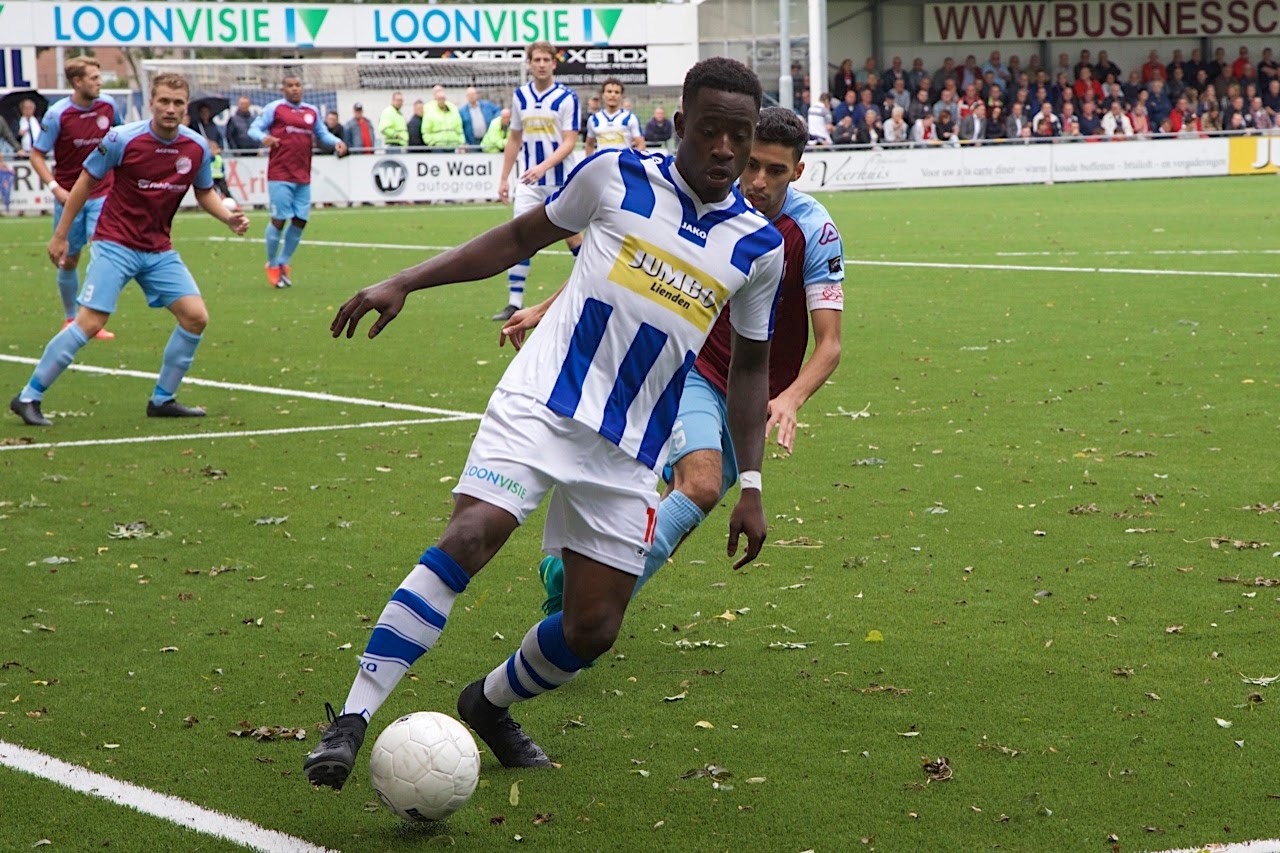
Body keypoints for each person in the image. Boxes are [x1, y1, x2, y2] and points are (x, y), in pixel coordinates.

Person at [303, 57, 784, 789]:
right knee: (472, 534)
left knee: (593, 627)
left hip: (629, 446)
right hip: (543, 401)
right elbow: (514, 240)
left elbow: (750, 370)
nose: (725, 149)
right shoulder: (613, 175)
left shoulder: (759, 247)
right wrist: (406, 279)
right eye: (711, 130)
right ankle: (352, 719)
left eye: (739, 136)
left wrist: (748, 480)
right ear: (681, 124)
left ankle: (488, 704)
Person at [513, 106, 842, 624]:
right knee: (702, 485)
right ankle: (586, 612)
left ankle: (575, 593)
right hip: (691, 370)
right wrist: (546, 305)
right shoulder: (708, 201)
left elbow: (830, 345)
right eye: (752, 164)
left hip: (751, 394)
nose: (757, 181)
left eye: (775, 171)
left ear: (798, 172)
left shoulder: (814, 231)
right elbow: (626, 263)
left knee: (688, 502)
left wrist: (790, 399)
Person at [10, 73, 250, 428]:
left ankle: (162, 399)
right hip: (115, 243)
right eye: (164, 101)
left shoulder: (196, 147)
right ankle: (28, 396)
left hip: (158, 248)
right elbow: (85, 183)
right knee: (91, 322)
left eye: (177, 103)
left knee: (195, 316)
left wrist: (228, 218)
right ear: (151, 102)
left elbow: (203, 192)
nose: (170, 109)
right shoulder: (122, 138)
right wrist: (61, 234)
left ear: (186, 107)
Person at [30, 57, 121, 338]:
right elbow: (36, 155)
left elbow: (122, 138)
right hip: (70, 196)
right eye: (94, 78)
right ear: (77, 82)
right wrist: (55, 187)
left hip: (104, 191)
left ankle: (91, 318)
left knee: (103, 251)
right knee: (68, 260)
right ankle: (71, 318)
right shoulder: (57, 115)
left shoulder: (109, 106)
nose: (99, 82)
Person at [491, 41, 582, 323]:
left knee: (572, 236)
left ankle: (588, 291)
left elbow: (570, 140)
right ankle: (514, 303)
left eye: (546, 59)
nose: (541, 64)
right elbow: (515, 139)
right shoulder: (520, 97)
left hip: (560, 179)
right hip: (530, 182)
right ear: (529, 63)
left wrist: (544, 166)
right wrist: (504, 178)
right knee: (519, 235)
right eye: (536, 59)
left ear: (554, 63)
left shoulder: (567, 97)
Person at [249, 75, 347, 289]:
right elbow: (253, 129)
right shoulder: (275, 108)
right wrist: (263, 138)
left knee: (301, 220)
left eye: (298, 85)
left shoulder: (311, 112)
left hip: (303, 175)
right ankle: (272, 264)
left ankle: (284, 262)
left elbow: (322, 134)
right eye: (290, 86)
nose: (294, 89)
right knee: (279, 219)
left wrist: (337, 141)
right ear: (283, 89)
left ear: (302, 88)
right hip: (280, 173)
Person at [584, 78, 645, 156]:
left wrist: (632, 162)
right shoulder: (593, 119)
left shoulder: (630, 118)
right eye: (609, 92)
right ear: (603, 95)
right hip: (603, 165)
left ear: (621, 96)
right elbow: (589, 145)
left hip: (623, 165)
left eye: (617, 92)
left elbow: (641, 144)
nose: (613, 95)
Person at [422, 86, 464, 152]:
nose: (441, 101)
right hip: (438, 147)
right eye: (439, 99)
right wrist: (431, 143)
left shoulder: (453, 108)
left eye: (442, 98)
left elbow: (459, 128)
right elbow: (425, 130)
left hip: (453, 145)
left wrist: (461, 142)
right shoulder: (429, 110)